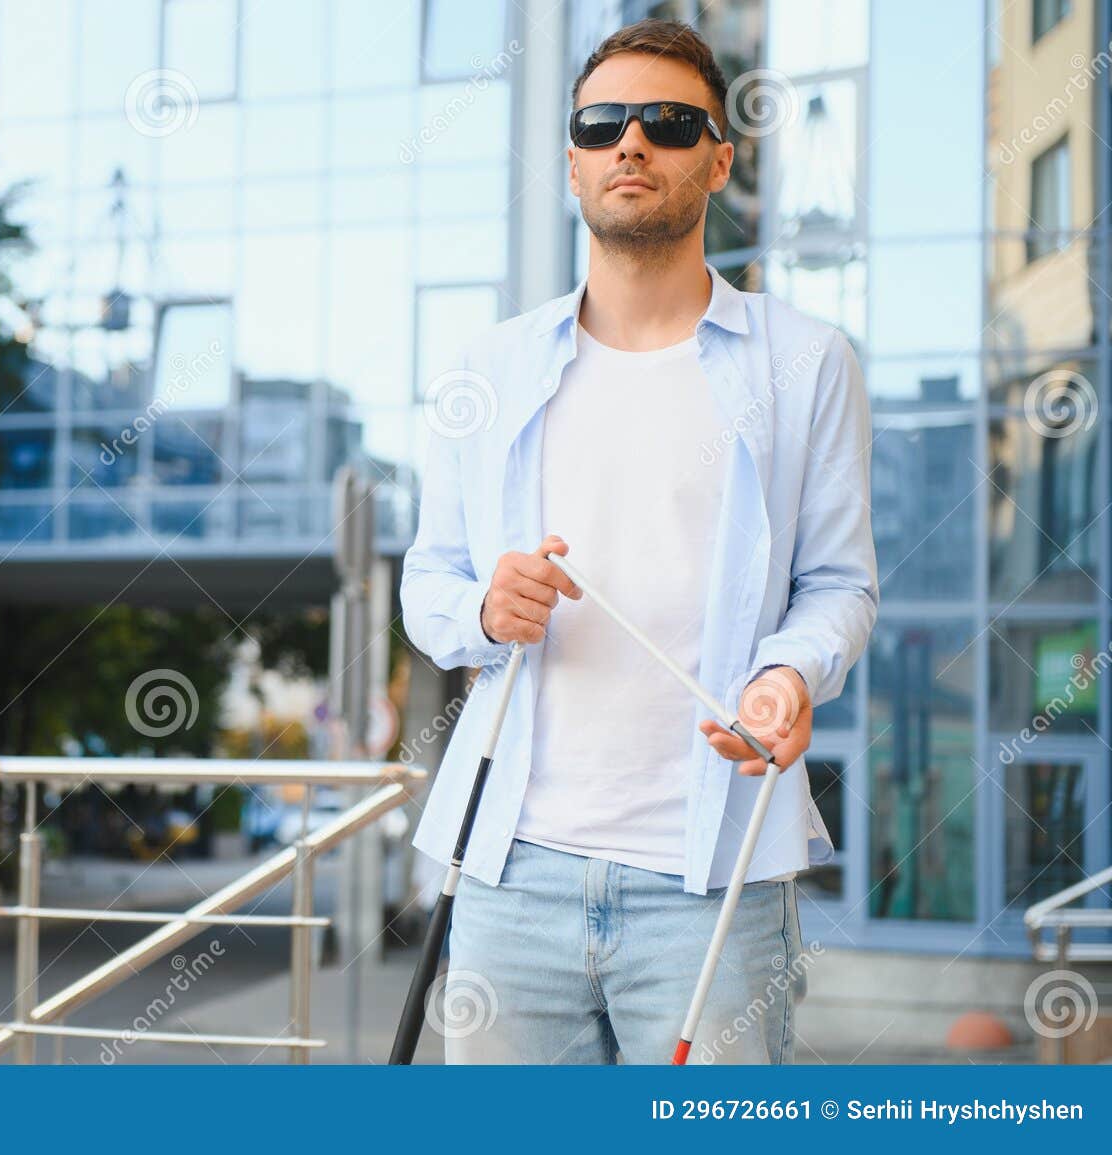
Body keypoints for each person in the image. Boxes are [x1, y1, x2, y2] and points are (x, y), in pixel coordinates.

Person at [401, 17, 878, 1064]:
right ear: (571, 160)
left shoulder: (806, 361)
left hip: (711, 880)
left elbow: (839, 583)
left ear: (719, 158)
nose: (632, 143)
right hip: (508, 873)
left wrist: (789, 674)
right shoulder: (491, 364)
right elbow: (426, 579)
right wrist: (482, 608)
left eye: (667, 123)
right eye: (603, 122)